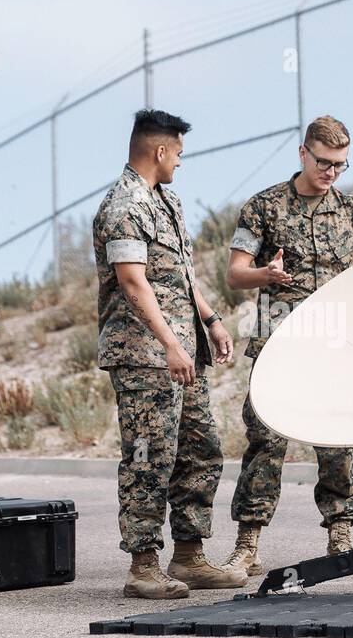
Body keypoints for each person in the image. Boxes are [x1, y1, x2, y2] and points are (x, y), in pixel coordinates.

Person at [222, 115, 353, 576]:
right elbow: (235, 274)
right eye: (323, 162)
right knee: (266, 442)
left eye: (340, 164)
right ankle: (248, 544)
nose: (331, 172)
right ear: (303, 153)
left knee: (336, 440)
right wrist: (265, 275)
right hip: (277, 346)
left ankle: (341, 533)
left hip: (333, 347)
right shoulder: (264, 208)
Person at [92, 108, 246, 599]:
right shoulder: (123, 206)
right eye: (178, 153)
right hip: (144, 356)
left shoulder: (167, 201)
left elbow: (177, 274)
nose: (180, 162)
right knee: (148, 458)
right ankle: (142, 567)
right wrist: (170, 344)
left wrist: (210, 319)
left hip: (182, 353)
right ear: (159, 151)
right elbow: (134, 284)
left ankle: (188, 557)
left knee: (201, 451)